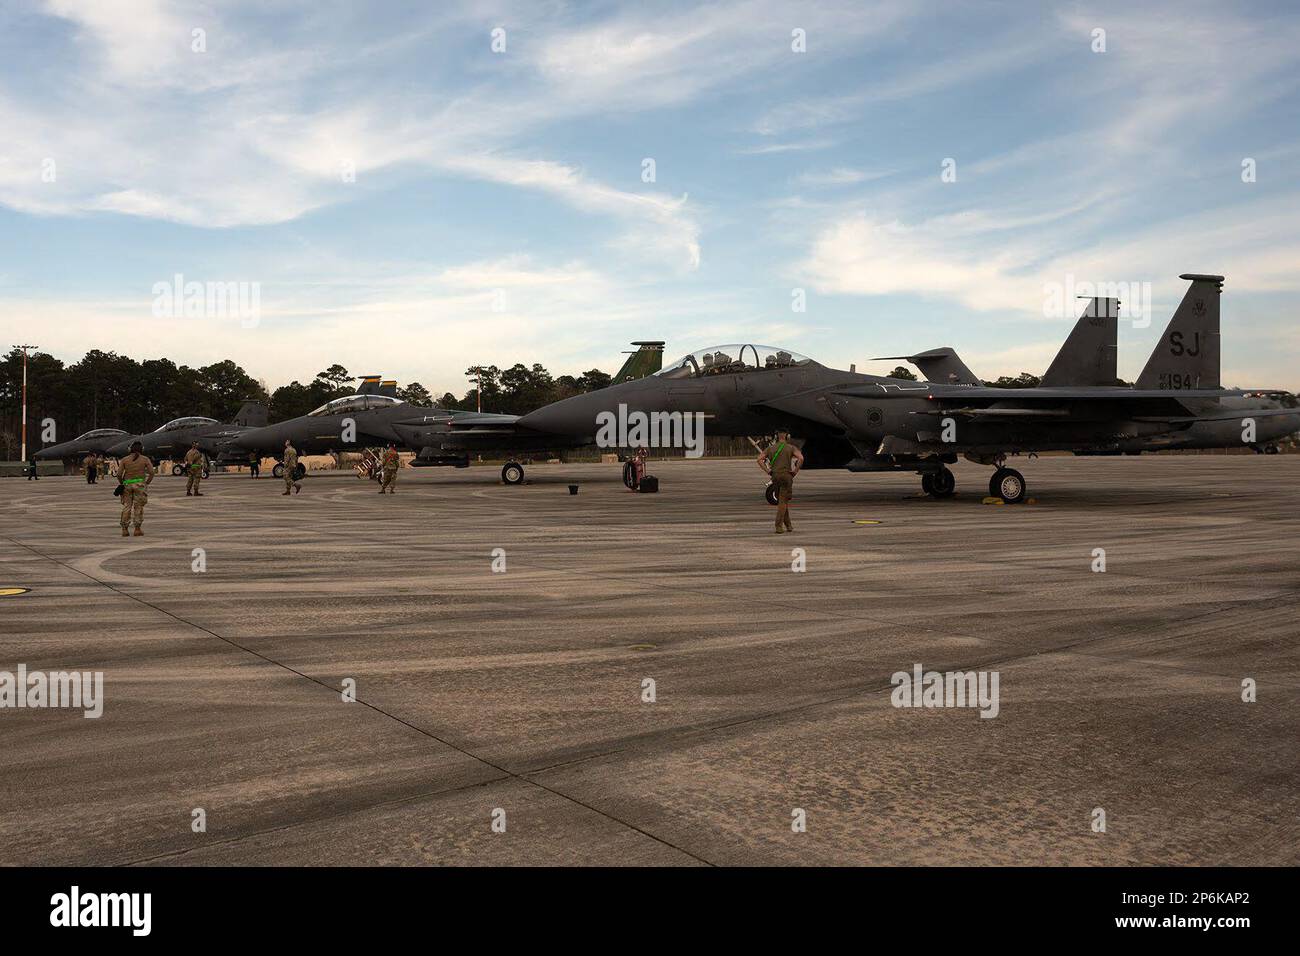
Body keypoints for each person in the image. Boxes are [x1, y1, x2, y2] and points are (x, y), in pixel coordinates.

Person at [758, 428, 804, 534]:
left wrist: (768, 471)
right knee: (783, 502)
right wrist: (795, 471)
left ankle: (789, 526)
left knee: (782, 500)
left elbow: (759, 459)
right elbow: (801, 458)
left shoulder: (770, 448)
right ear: (787, 436)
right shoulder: (791, 448)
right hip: (786, 476)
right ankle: (778, 526)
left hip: (775, 476)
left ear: (777, 436)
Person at [116, 441, 155, 536]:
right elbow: (151, 472)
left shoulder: (125, 460)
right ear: (142, 449)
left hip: (127, 485)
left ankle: (124, 530)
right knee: (138, 507)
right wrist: (146, 483)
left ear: (130, 449)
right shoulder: (145, 459)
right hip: (140, 485)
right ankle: (137, 529)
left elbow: (119, 474)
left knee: (127, 507)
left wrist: (122, 483)